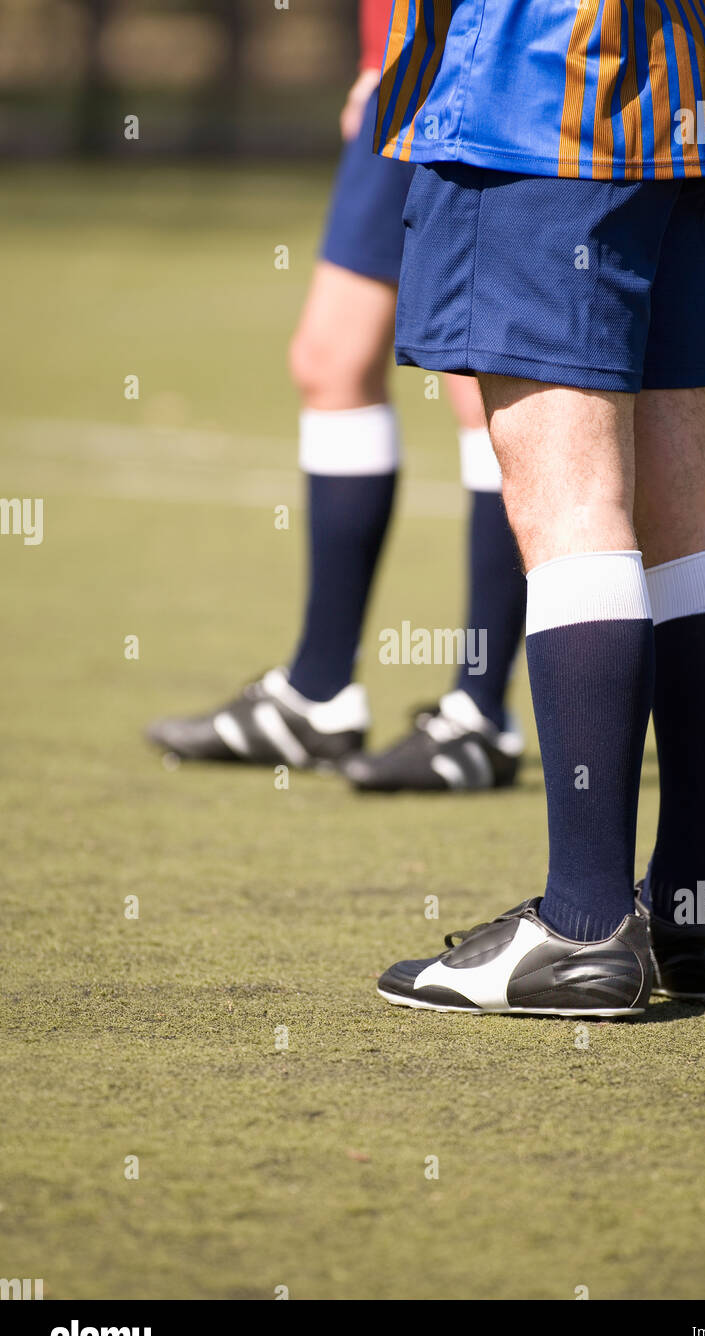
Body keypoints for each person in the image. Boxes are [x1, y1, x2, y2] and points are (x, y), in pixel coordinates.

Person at [375, 0, 705, 1015]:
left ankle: (582, 929)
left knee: (570, 500)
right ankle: (694, 908)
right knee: (688, 501)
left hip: (538, 87)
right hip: (691, 87)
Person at [146, 0, 526, 794]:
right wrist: (379, 52)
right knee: (331, 357)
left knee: (482, 383)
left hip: (489, 61)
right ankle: (317, 695)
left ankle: (479, 716)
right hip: (407, 58)